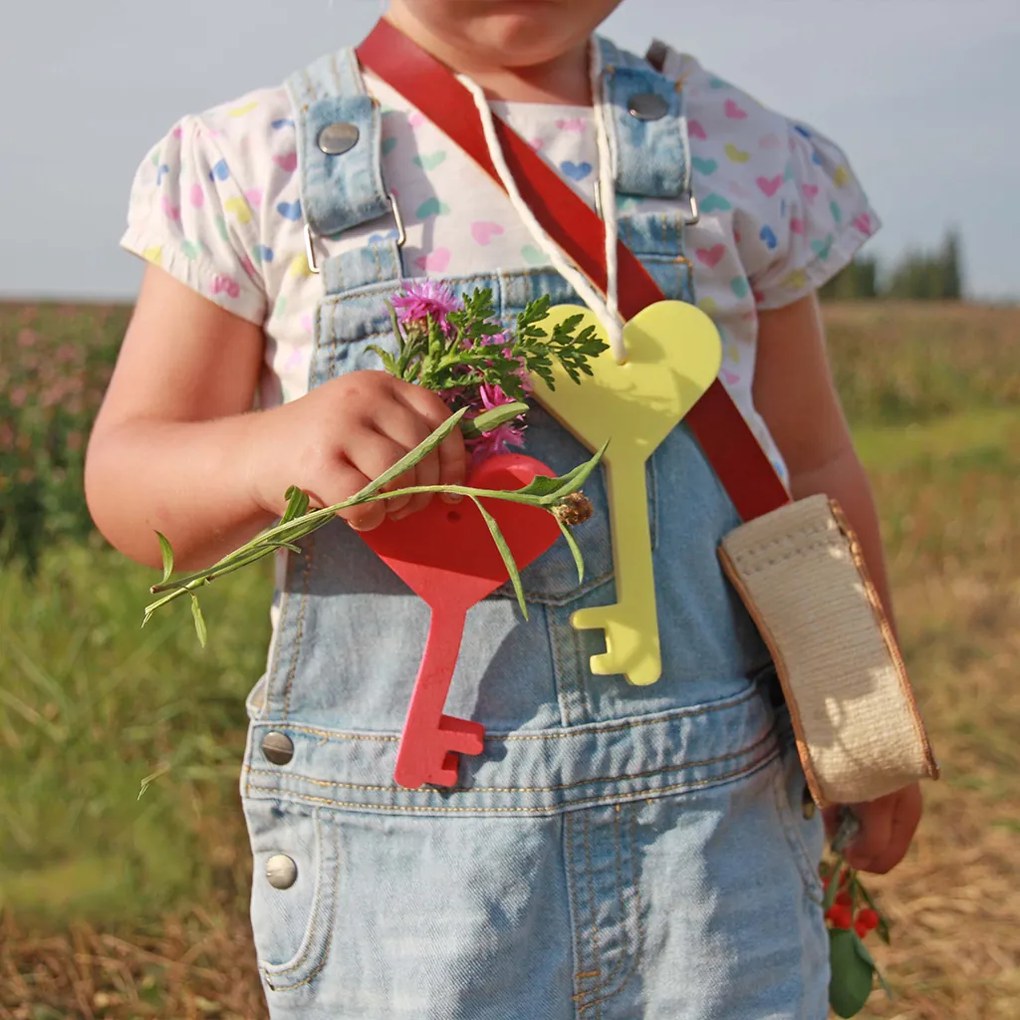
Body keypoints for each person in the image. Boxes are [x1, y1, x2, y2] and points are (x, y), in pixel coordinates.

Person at [85, 1, 922, 1016]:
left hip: (711, 850)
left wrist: (866, 723)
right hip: (411, 879)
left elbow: (811, 460)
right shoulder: (255, 162)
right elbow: (131, 477)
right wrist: (276, 449)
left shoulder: (736, 151)